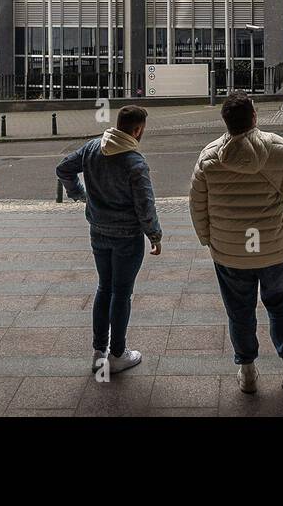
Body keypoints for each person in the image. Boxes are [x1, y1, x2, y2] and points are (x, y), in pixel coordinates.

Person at [190, 92, 283, 394]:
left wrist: (209, 240)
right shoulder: (280, 150)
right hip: (276, 247)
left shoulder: (209, 158)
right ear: (254, 117)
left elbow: (197, 205)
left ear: (225, 121)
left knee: (239, 311)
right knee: (281, 306)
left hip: (230, 253)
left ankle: (247, 372)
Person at [56, 104, 162, 375]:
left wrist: (78, 193)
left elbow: (63, 168)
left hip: (98, 231)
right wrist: (154, 235)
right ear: (138, 130)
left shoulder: (93, 148)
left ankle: (98, 351)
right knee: (122, 293)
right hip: (127, 237)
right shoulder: (135, 163)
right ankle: (118, 354)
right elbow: (145, 205)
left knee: (105, 288)